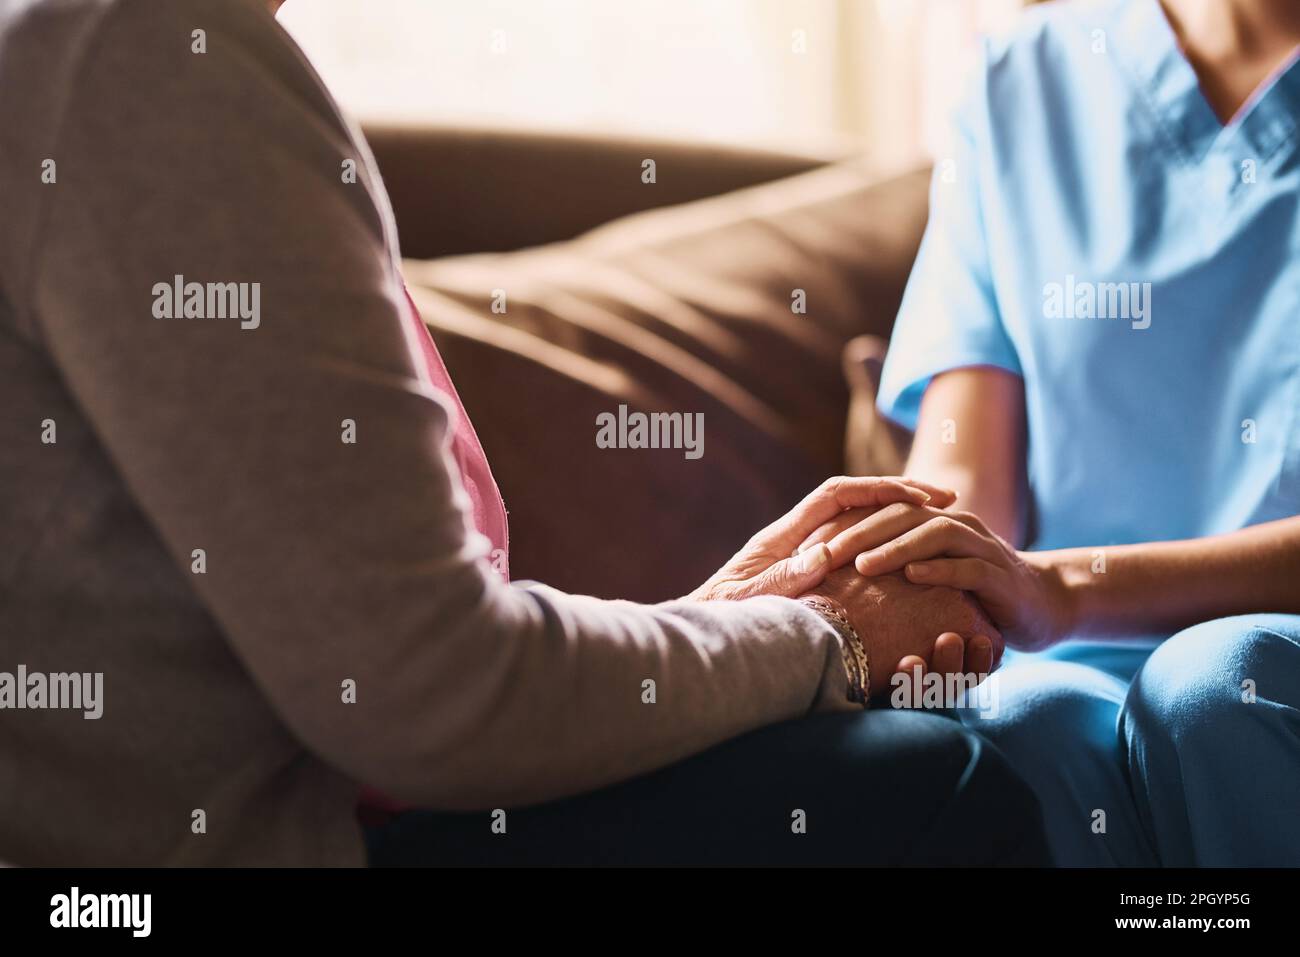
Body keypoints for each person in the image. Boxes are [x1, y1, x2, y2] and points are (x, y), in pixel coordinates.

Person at [0, 0, 1046, 866]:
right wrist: (822, 635)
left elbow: (397, 659)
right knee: (931, 784)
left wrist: (718, 619)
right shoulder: (147, 59)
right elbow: (435, 698)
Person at [805, 0, 1300, 865]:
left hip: (1225, 657)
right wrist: (922, 576)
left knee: (1217, 690)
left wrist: (1063, 589)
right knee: (1015, 727)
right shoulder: (1021, 80)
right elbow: (967, 478)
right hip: (1055, 653)